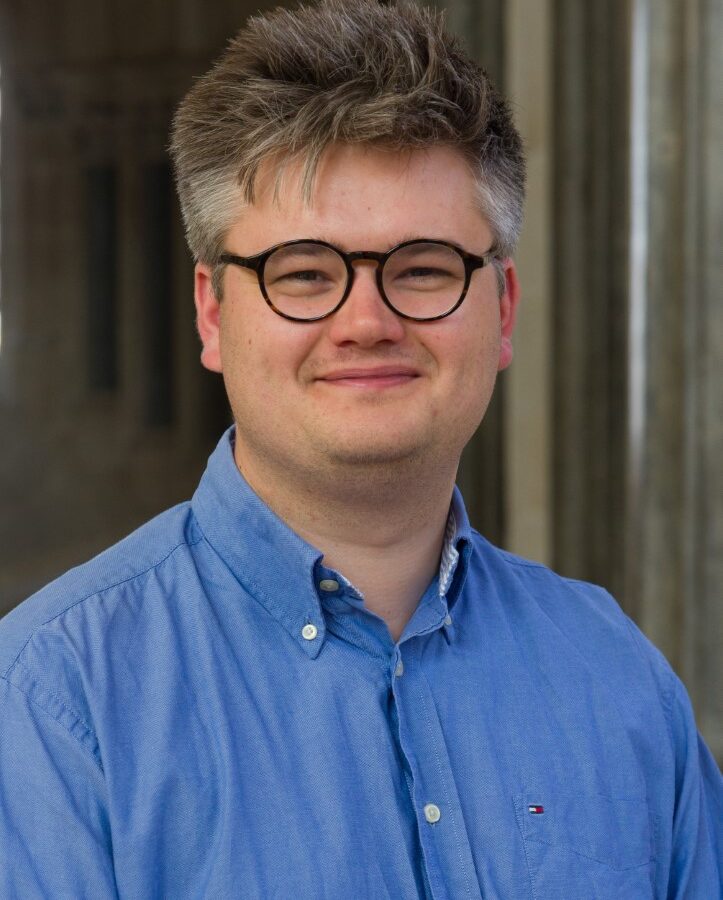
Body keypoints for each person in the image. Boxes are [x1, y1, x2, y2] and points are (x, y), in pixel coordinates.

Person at [0, 0, 720, 896]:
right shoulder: (53, 706)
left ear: (501, 311)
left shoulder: (615, 679)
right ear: (213, 313)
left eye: (422, 267)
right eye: (304, 272)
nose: (366, 322)